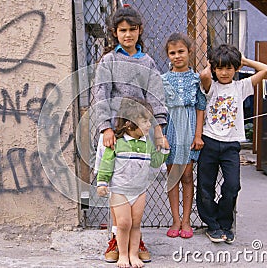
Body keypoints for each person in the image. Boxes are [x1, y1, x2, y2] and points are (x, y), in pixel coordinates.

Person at [91, 5, 168, 263]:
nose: (128, 35)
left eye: (132, 30)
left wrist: (158, 131)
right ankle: (116, 237)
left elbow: (156, 96)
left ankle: (136, 237)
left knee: (136, 185)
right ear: (115, 33)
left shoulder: (147, 62)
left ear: (139, 31)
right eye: (122, 30)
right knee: (116, 185)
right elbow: (100, 94)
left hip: (140, 133)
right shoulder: (109, 61)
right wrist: (106, 127)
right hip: (114, 132)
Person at [197, 44, 267, 243]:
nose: (224, 72)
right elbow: (204, 75)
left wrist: (243, 61)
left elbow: (265, 69)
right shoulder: (211, 86)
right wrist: (212, 63)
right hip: (209, 142)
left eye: (229, 68)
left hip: (231, 145)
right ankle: (212, 225)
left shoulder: (241, 86)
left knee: (232, 186)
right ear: (214, 68)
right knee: (205, 187)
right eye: (220, 68)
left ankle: (225, 223)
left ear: (236, 69)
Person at [96, 97, 169, 268]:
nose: (149, 125)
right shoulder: (117, 144)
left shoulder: (147, 144)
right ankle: (122, 255)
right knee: (123, 224)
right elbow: (107, 164)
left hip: (139, 191)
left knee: (135, 224)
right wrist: (102, 183)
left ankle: (133, 254)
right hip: (120, 191)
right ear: (129, 123)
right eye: (145, 121)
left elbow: (156, 162)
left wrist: (164, 149)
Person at [161, 32, 206, 239]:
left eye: (181, 51)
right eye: (172, 53)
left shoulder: (197, 79)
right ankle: (175, 219)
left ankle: (187, 220)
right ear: (168, 56)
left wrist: (198, 135)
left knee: (187, 175)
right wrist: (161, 135)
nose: (177, 56)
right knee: (173, 177)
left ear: (189, 52)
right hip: (171, 128)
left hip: (188, 127)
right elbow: (159, 109)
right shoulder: (163, 80)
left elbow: (200, 106)